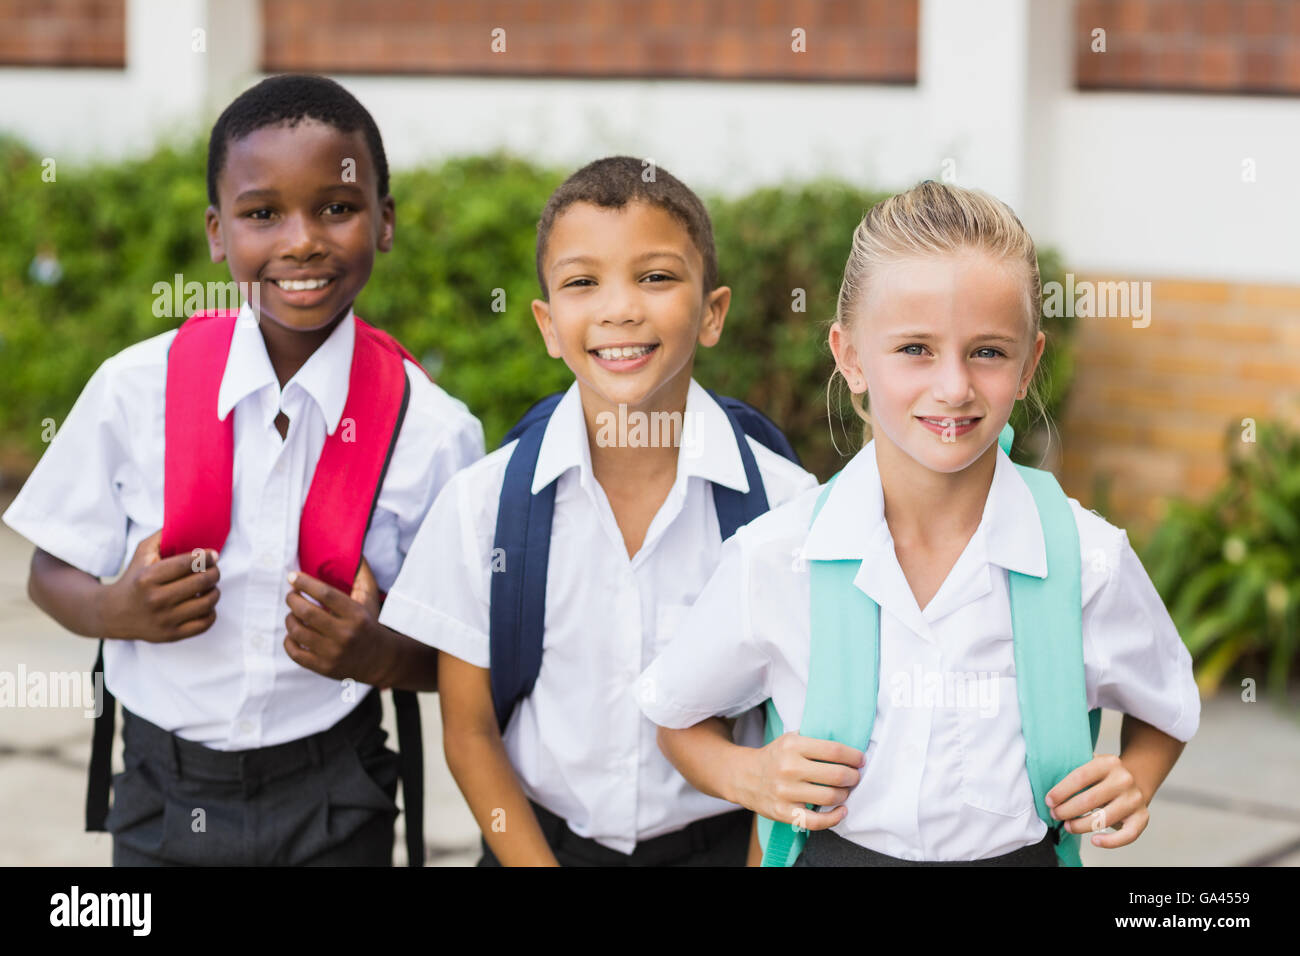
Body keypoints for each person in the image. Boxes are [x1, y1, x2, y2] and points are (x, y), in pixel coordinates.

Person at [637, 180, 1200, 866]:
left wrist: (1134, 777)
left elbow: (1166, 707)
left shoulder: (1087, 560)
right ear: (850, 358)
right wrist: (744, 774)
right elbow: (674, 713)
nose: (954, 387)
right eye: (915, 350)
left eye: (988, 351)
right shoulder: (777, 557)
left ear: (1029, 365)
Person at [3, 73, 484, 866]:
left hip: (338, 792)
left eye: (337, 206)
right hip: (162, 793)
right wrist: (115, 608)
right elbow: (47, 573)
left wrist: (377, 655)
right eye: (263, 214)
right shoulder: (135, 391)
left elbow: (463, 657)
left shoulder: (432, 434)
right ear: (217, 233)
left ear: (385, 221)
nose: (301, 241)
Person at [378, 156, 817, 866]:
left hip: (724, 847)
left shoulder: (788, 509)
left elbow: (792, 730)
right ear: (549, 325)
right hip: (537, 846)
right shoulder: (483, 506)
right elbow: (468, 734)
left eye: (656, 276)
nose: (620, 308)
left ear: (712, 313)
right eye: (583, 282)